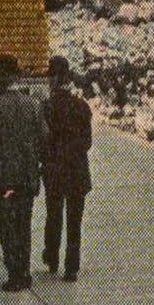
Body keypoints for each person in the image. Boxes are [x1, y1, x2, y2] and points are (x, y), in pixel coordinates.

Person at [0, 54, 46, 291]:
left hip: (6, 180)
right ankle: (25, 272)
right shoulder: (34, 105)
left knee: (8, 225)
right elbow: (44, 136)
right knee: (24, 224)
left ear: (3, 78)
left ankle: (14, 274)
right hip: (27, 178)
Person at [43, 54, 93, 281]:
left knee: (53, 216)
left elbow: (42, 141)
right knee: (75, 221)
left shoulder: (46, 108)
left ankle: (52, 259)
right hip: (77, 171)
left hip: (54, 171)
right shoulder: (82, 107)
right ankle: (71, 268)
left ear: (54, 79)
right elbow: (87, 143)